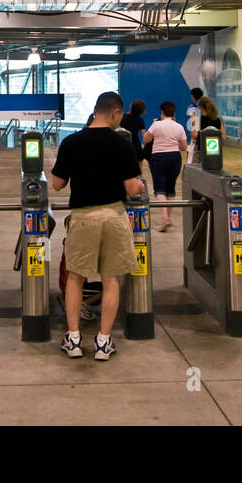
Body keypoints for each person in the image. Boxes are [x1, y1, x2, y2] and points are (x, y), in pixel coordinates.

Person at [50, 91, 144, 361]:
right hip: (114, 216)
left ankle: (74, 339)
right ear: (115, 112)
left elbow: (57, 184)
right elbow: (130, 188)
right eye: (121, 115)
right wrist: (138, 185)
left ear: (95, 110)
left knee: (76, 277)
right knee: (111, 278)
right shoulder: (122, 144)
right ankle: (103, 342)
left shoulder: (71, 142)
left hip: (84, 217)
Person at [144, 101, 189, 232]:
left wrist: (152, 124)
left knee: (159, 188)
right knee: (170, 189)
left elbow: (146, 139)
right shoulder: (179, 126)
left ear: (162, 112)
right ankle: (166, 219)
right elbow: (184, 147)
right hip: (175, 157)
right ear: (173, 113)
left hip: (158, 157)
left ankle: (164, 217)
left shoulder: (156, 125)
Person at [120, 99, 147, 167]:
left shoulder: (122, 117)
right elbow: (144, 137)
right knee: (139, 170)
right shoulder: (140, 121)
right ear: (142, 111)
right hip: (136, 146)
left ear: (131, 106)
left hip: (123, 145)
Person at [186, 87, 204, 163]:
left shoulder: (191, 107)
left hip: (196, 132)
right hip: (205, 132)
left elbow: (192, 120)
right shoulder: (206, 105)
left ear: (193, 96)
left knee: (192, 153)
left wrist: (193, 132)